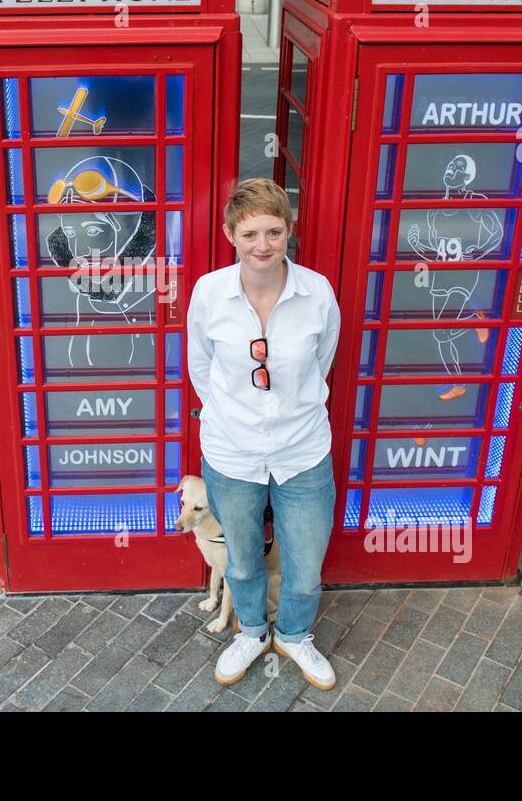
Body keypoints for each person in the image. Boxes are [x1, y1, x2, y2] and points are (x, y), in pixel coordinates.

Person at [187, 178, 341, 689]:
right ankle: (250, 631)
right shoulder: (209, 293)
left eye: (274, 231)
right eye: (250, 232)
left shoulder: (317, 292)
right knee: (243, 557)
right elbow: (200, 368)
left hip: (303, 451)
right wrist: (236, 418)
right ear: (231, 233)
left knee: (306, 561)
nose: (263, 245)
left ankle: (295, 635)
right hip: (232, 454)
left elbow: (322, 364)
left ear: (289, 231)